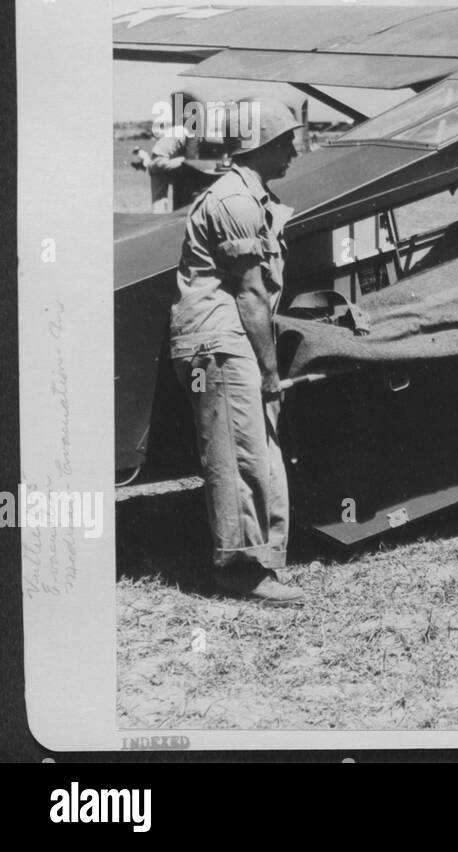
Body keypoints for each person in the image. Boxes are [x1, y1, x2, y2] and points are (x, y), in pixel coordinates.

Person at [169, 97, 303, 604]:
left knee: (256, 451)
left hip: (224, 342)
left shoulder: (248, 196)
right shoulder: (236, 202)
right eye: (286, 141)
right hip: (218, 345)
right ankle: (239, 573)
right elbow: (250, 294)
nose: (294, 150)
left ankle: (261, 562)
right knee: (238, 455)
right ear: (260, 146)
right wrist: (271, 375)